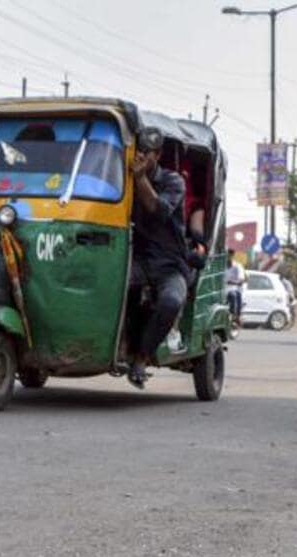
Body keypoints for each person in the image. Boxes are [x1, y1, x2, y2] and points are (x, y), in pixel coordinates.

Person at [125, 126, 189, 388]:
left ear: (158, 155)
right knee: (112, 288)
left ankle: (142, 356)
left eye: (148, 152)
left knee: (171, 302)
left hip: (170, 264)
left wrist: (140, 178)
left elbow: (157, 209)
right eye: (138, 150)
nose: (142, 156)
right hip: (137, 259)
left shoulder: (173, 181)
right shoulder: (123, 178)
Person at [224, 256, 246, 328]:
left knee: (233, 295)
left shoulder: (237, 267)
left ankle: (235, 316)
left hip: (234, 288)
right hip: (222, 289)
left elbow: (241, 280)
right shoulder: (221, 266)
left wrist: (232, 282)